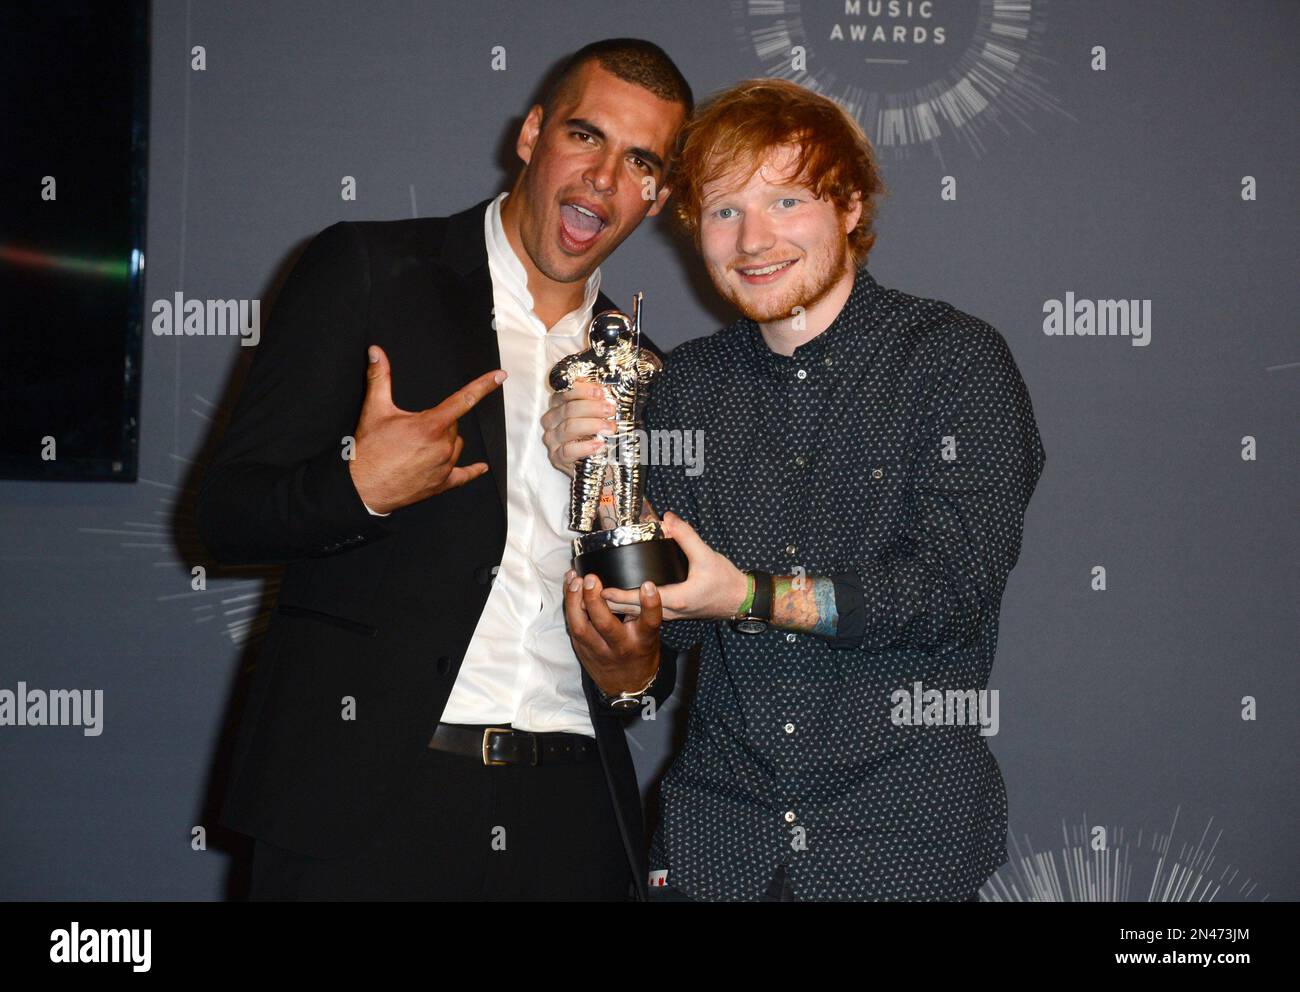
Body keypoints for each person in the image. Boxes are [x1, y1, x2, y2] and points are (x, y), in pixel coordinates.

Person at [195, 38, 692, 901]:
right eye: (586, 137)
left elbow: (650, 647)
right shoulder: (368, 272)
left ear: (658, 194)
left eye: (639, 160)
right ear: (532, 134)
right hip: (368, 813)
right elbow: (221, 517)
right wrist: (358, 489)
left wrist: (635, 669)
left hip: (571, 817)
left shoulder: (649, 372)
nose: (605, 179)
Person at [548, 78, 1046, 901]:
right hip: (715, 843)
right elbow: (667, 637)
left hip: (899, 842)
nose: (753, 239)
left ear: (848, 206)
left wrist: (748, 595)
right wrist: (604, 490)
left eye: (785, 201)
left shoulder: (954, 363)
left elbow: (945, 595)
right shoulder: (686, 387)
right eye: (723, 211)